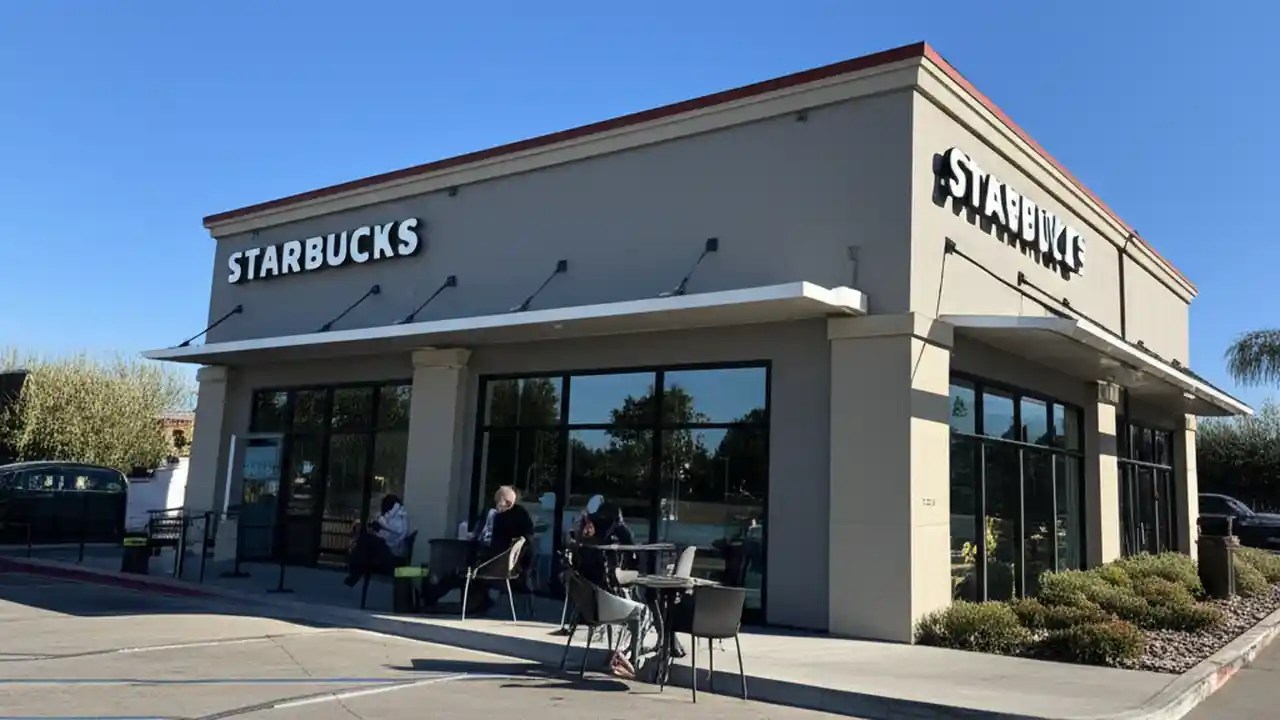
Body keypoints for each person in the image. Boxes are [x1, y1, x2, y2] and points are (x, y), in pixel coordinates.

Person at [420, 485, 533, 612]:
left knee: (459, 571)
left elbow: (522, 544)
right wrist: (474, 536)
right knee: (459, 568)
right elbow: (480, 531)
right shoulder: (493, 512)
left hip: (498, 564)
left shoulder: (516, 516)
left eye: (498, 501)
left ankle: (430, 599)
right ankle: (476, 603)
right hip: (487, 558)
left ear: (508, 503)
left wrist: (523, 571)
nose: (495, 504)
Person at [343, 494, 409, 587]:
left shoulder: (398, 518)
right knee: (367, 541)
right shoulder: (398, 516)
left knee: (366, 539)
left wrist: (380, 527)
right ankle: (357, 568)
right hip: (391, 552)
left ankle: (356, 569)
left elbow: (394, 535)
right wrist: (379, 530)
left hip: (391, 556)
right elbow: (391, 535)